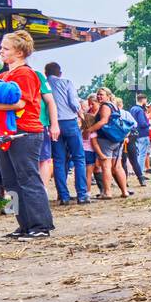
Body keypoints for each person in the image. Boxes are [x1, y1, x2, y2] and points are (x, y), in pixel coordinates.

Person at [0, 30, 55, 239]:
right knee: (11, 182)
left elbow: (18, 103)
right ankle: (24, 224)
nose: (2, 52)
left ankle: (40, 225)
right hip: (5, 133)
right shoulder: (2, 75)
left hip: (24, 132)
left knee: (27, 178)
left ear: (19, 52)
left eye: (6, 49)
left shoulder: (25, 74)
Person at [44, 62, 90, 205]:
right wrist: (80, 114)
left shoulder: (44, 84)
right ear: (60, 73)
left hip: (53, 124)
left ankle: (63, 196)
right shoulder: (67, 82)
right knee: (79, 158)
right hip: (69, 122)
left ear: (46, 73)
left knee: (58, 160)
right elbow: (73, 102)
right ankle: (82, 194)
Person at [83, 88, 132, 199]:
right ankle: (124, 191)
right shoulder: (114, 105)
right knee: (117, 167)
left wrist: (89, 129)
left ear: (108, 95)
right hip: (116, 139)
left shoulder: (105, 106)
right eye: (98, 95)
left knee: (106, 166)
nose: (99, 97)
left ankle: (107, 192)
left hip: (106, 139)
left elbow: (103, 121)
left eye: (101, 94)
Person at [128, 94, 151, 185]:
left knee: (138, 154)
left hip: (134, 134)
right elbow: (142, 123)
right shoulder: (140, 110)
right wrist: (148, 124)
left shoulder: (132, 109)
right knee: (142, 154)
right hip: (143, 133)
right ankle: (140, 172)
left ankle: (139, 171)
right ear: (144, 100)